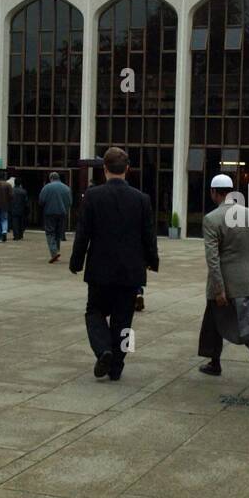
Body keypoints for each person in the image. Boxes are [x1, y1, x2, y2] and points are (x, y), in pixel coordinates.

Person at [69, 147, 159, 381]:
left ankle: (103, 350)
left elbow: (83, 233)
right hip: (130, 271)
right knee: (124, 321)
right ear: (127, 169)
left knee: (94, 311)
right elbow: (148, 235)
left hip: (100, 268)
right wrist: (152, 261)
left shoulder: (93, 196)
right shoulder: (141, 199)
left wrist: (76, 261)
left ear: (104, 169)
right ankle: (117, 366)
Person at [198, 174, 249, 389]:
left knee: (213, 322)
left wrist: (219, 288)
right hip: (245, 280)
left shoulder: (212, 218)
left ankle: (215, 362)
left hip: (223, 283)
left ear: (213, 192)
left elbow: (213, 258)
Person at [38, 171, 73, 263]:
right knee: (58, 232)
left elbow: (41, 201)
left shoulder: (46, 187)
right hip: (62, 213)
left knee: (50, 232)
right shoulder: (66, 188)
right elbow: (70, 202)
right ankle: (56, 250)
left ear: (51, 178)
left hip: (49, 212)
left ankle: (54, 252)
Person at [0, 172, 13, 243]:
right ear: (4, 177)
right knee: (4, 219)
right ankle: (4, 231)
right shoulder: (8, 185)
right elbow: (11, 196)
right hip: (5, 205)